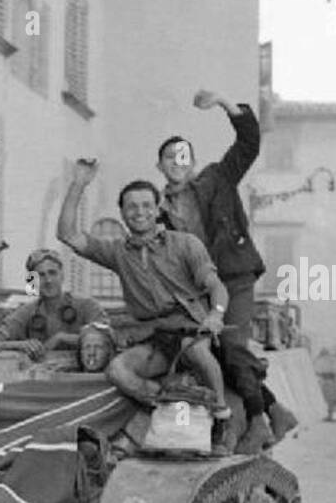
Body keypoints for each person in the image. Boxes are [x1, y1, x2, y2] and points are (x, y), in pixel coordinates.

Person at [58, 169, 271, 451]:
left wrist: (216, 315)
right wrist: (78, 184)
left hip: (191, 328)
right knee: (118, 370)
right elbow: (67, 234)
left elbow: (215, 286)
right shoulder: (117, 252)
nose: (139, 212)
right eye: (131, 206)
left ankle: (222, 418)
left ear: (158, 209)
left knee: (197, 353)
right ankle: (163, 404)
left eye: (147, 205)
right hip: (154, 337)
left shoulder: (186, 244)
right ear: (122, 213)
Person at [156, 90, 298, 444]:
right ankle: (277, 411)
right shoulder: (160, 213)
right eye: (169, 158)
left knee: (233, 345)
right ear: (160, 166)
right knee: (215, 354)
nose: (177, 162)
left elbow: (249, 143)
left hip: (235, 278)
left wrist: (223, 102)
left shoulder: (217, 178)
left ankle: (258, 421)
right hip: (200, 290)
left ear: (192, 161)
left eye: (183, 156)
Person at [0, 250, 106, 374]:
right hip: (44, 379)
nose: (48, 280)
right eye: (40, 275)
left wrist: (61, 338)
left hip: (85, 376)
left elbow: (106, 338)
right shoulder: (26, 313)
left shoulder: (87, 306)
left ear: (62, 275)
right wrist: (19, 345)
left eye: (52, 273)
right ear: (32, 281)